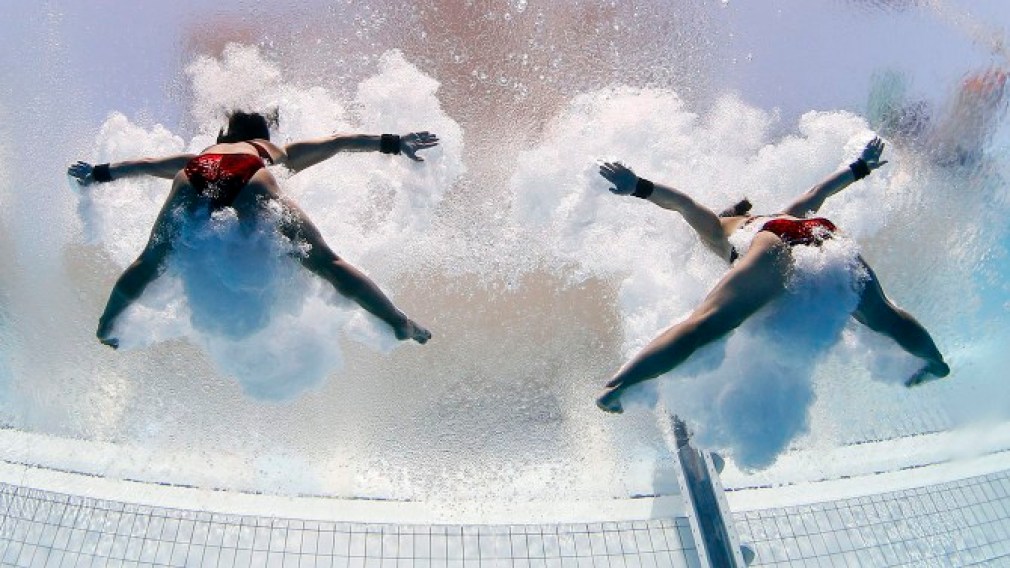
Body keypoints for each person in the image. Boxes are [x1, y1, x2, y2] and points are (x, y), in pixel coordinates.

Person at [595, 137, 950, 413]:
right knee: (884, 315)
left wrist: (638, 186)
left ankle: (618, 388)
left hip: (777, 242)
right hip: (825, 232)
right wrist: (861, 167)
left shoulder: (720, 229)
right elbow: (818, 192)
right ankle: (935, 362)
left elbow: (683, 204)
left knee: (703, 325)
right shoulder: (780, 213)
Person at [69, 111, 437, 348]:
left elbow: (144, 164)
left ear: (225, 132)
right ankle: (397, 322)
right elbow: (339, 141)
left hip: (195, 176)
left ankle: (106, 324)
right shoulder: (271, 150)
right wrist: (394, 143)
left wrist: (97, 173)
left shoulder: (202, 153)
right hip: (249, 173)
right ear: (265, 133)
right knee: (326, 262)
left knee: (150, 260)